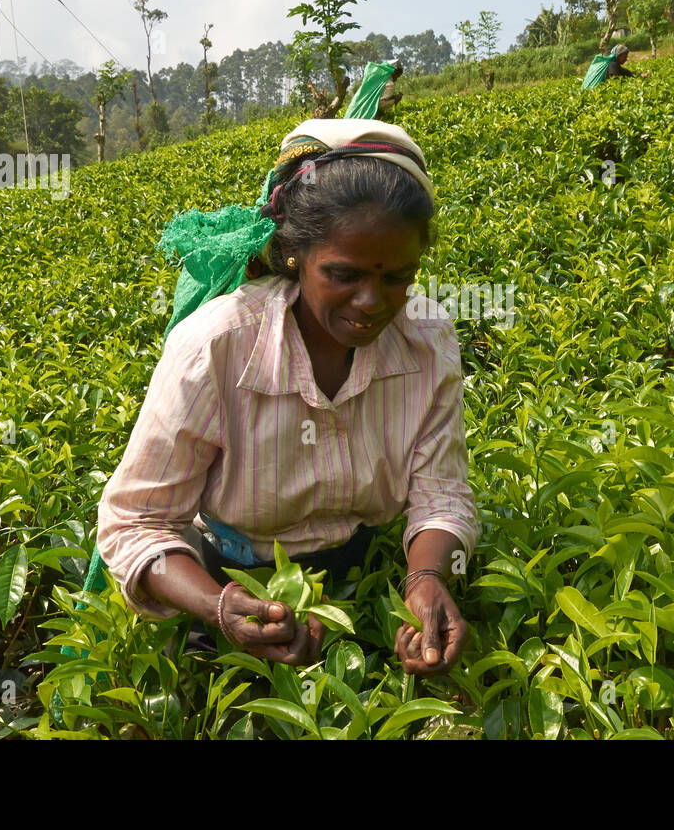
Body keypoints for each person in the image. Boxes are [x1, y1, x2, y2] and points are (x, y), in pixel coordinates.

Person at [96, 119, 479, 676]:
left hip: (371, 574)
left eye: (398, 277)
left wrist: (425, 581)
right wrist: (220, 607)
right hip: (231, 579)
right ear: (297, 255)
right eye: (343, 275)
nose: (371, 302)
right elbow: (136, 522)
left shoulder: (427, 339)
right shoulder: (219, 347)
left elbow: (440, 492)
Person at [581, 44, 650, 90]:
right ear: (619, 55)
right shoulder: (613, 65)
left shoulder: (614, 65)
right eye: (625, 56)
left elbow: (628, 73)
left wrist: (640, 75)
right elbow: (616, 82)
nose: (626, 59)